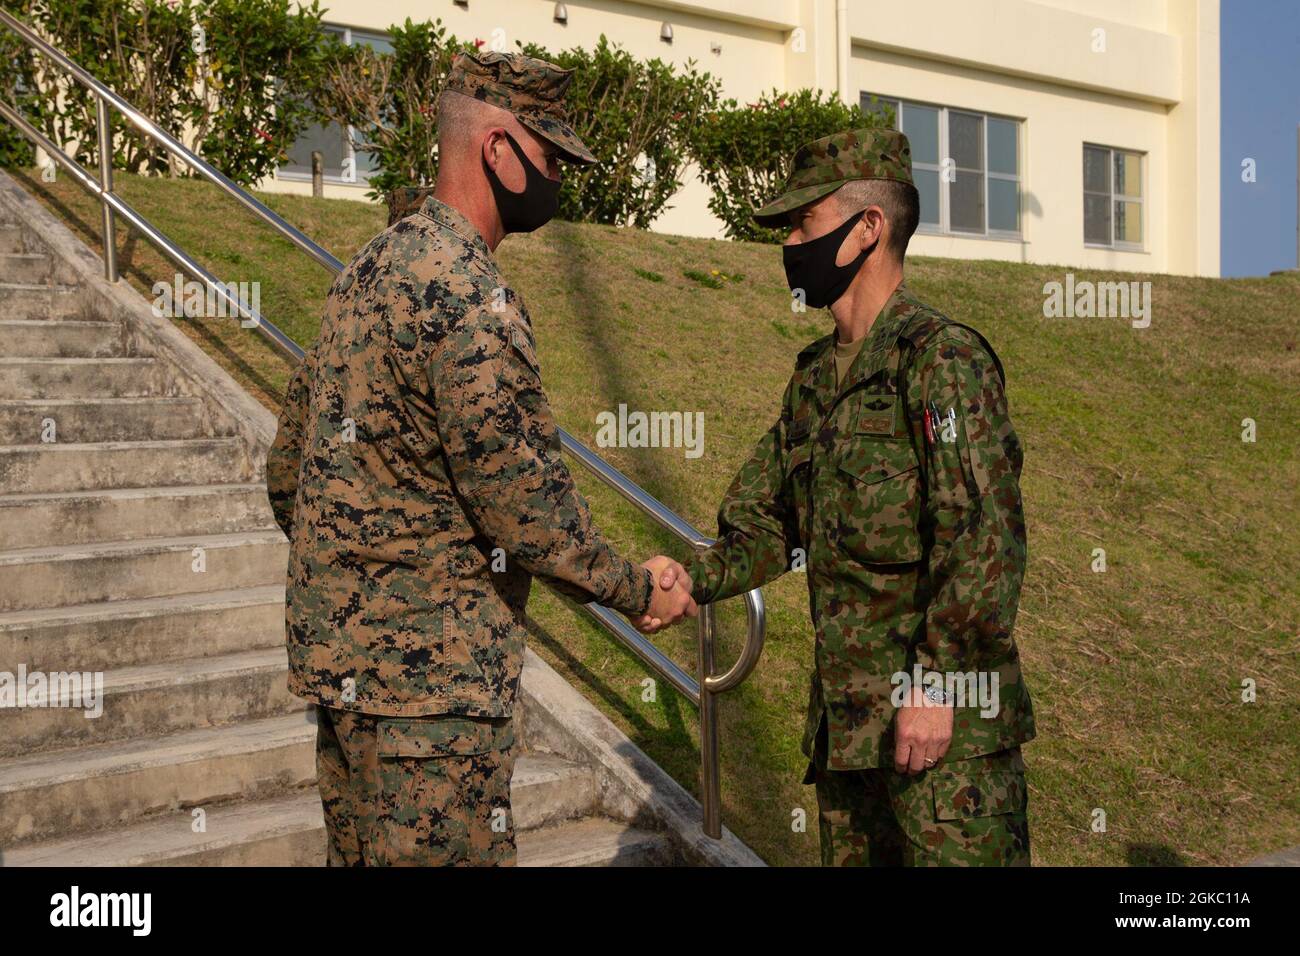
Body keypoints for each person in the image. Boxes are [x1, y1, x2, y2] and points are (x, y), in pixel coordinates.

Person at [265, 50, 695, 867]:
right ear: (498, 150)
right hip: (435, 706)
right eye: (551, 155)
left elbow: (290, 473)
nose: (559, 178)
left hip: (347, 689)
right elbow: (526, 513)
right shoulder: (471, 298)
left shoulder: (366, 270)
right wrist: (639, 589)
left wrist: (366, 578)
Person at [683, 128, 1036, 866]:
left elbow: (984, 539)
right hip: (849, 738)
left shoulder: (943, 360)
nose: (790, 244)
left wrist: (937, 686)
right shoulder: (815, 376)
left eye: (803, 223)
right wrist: (690, 581)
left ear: (866, 228)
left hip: (948, 756)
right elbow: (770, 517)